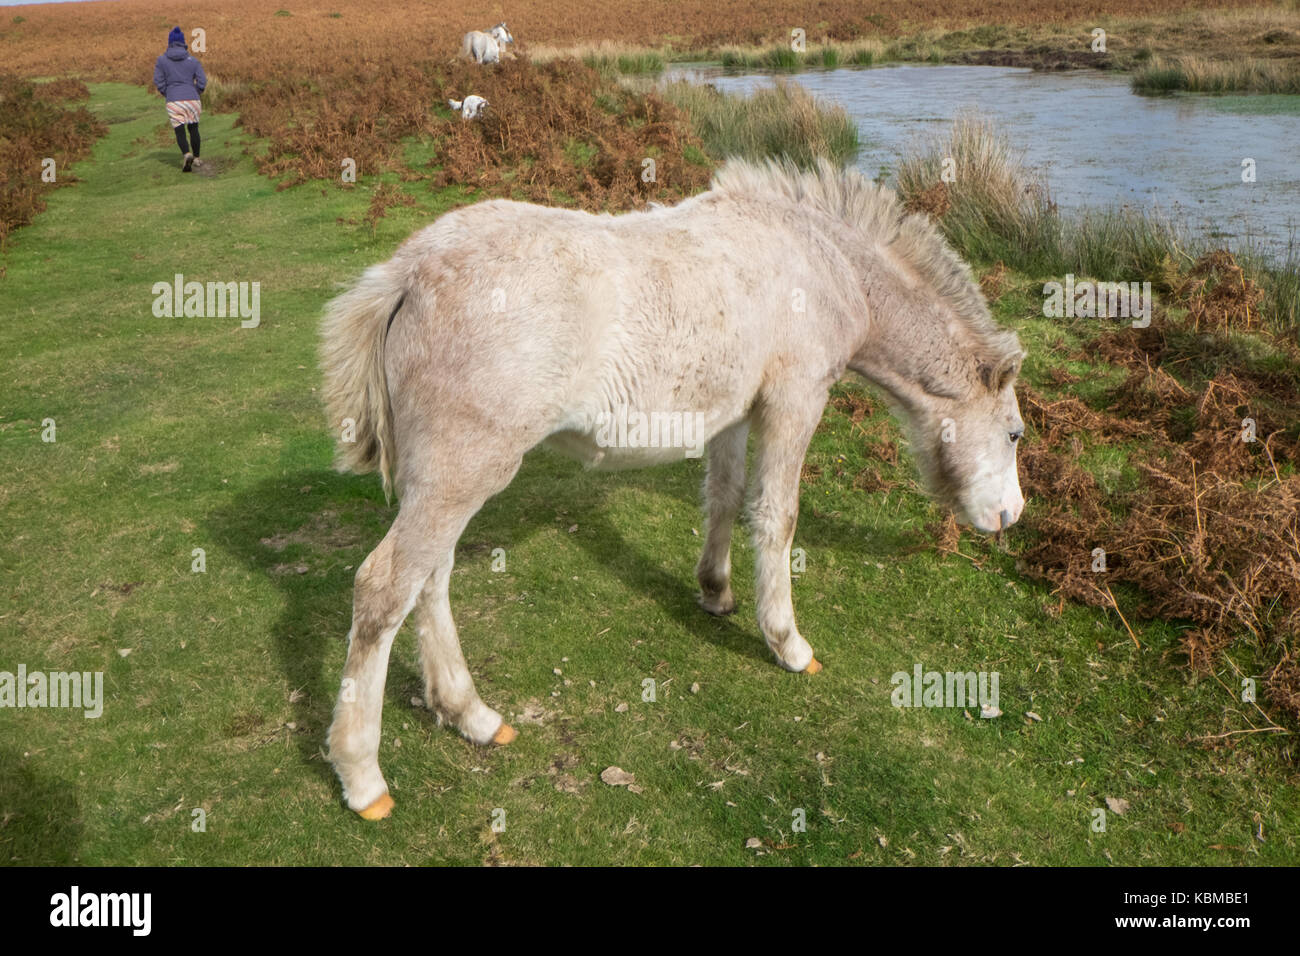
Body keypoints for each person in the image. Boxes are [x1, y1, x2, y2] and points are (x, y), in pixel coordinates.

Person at [153, 27, 207, 172]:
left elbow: (158, 81)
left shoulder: (161, 60)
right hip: (192, 99)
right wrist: (196, 92)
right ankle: (196, 158)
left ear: (169, 43)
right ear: (183, 43)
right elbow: (202, 80)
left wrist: (168, 93)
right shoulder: (193, 60)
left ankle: (186, 153)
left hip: (173, 100)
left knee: (179, 130)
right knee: (194, 128)